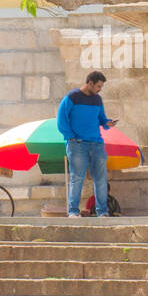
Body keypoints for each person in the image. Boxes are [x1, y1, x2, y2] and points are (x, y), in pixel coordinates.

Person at [57, 70, 117, 217]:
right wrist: (71, 137)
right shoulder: (71, 97)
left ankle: (102, 212)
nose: (100, 89)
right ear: (90, 83)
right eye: (98, 86)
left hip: (97, 144)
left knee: (101, 179)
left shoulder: (98, 100)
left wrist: (108, 123)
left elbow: (101, 119)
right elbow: (61, 120)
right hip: (77, 144)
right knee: (77, 178)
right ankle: (73, 212)